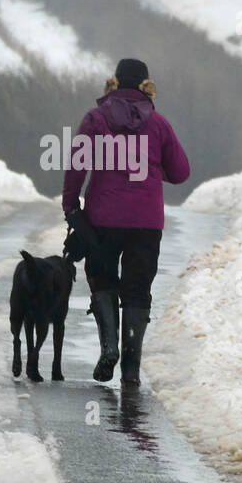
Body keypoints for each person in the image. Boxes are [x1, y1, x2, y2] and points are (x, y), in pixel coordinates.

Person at [61, 58, 190, 386]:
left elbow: (77, 167)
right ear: (147, 86)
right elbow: (181, 172)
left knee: (103, 279)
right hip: (146, 223)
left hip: (103, 220)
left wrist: (71, 208)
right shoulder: (159, 125)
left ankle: (109, 349)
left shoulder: (95, 119)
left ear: (114, 83)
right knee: (137, 290)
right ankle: (131, 370)